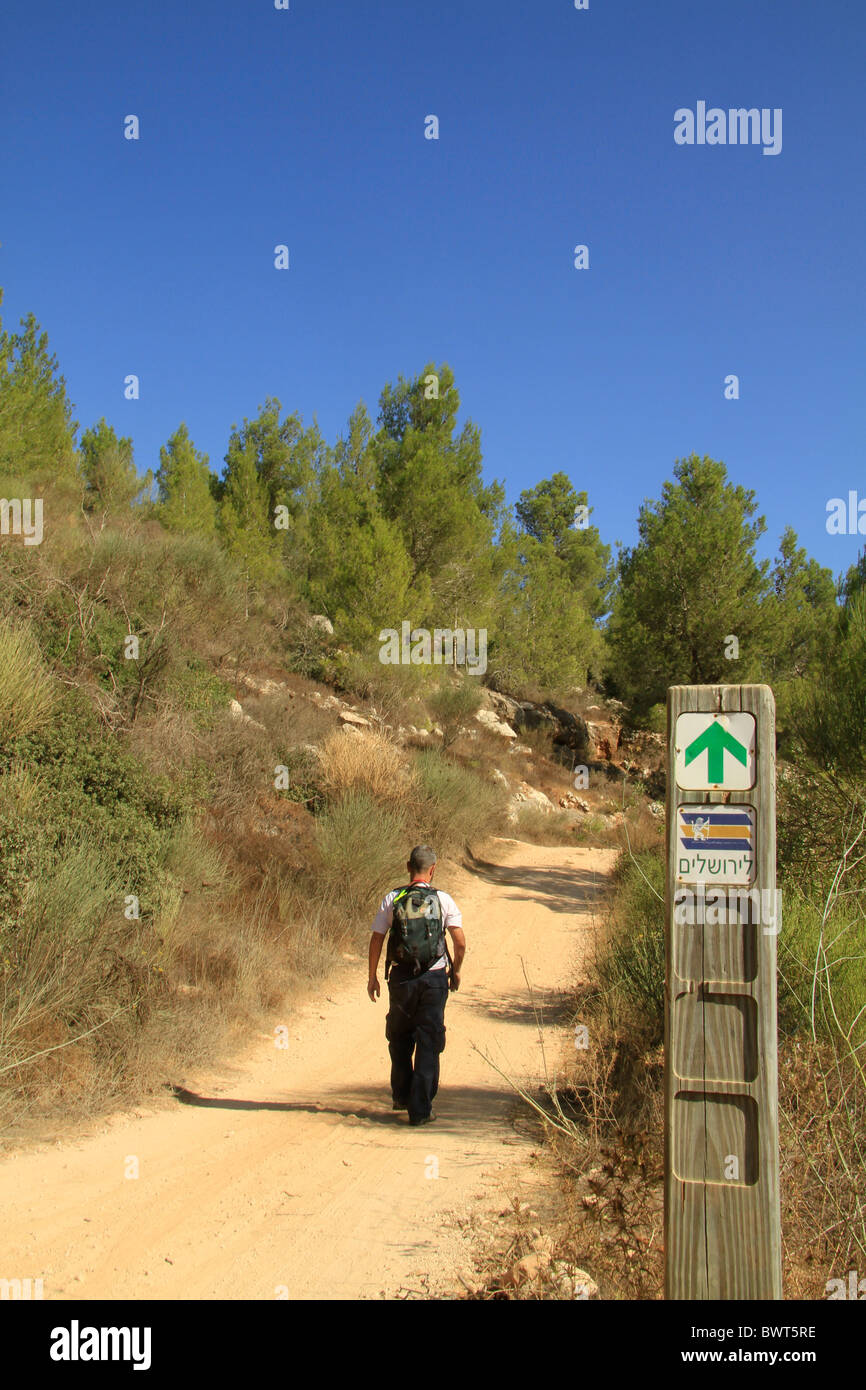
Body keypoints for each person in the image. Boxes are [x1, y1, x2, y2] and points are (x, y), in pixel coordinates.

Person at [367, 845, 466, 1126]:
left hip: (400, 980)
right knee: (428, 1041)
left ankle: (401, 1095)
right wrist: (455, 970)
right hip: (434, 980)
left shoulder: (393, 897)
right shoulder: (443, 900)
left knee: (399, 1037)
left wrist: (373, 976)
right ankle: (420, 1109)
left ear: (408, 866)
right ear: (432, 870)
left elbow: (377, 938)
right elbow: (459, 941)